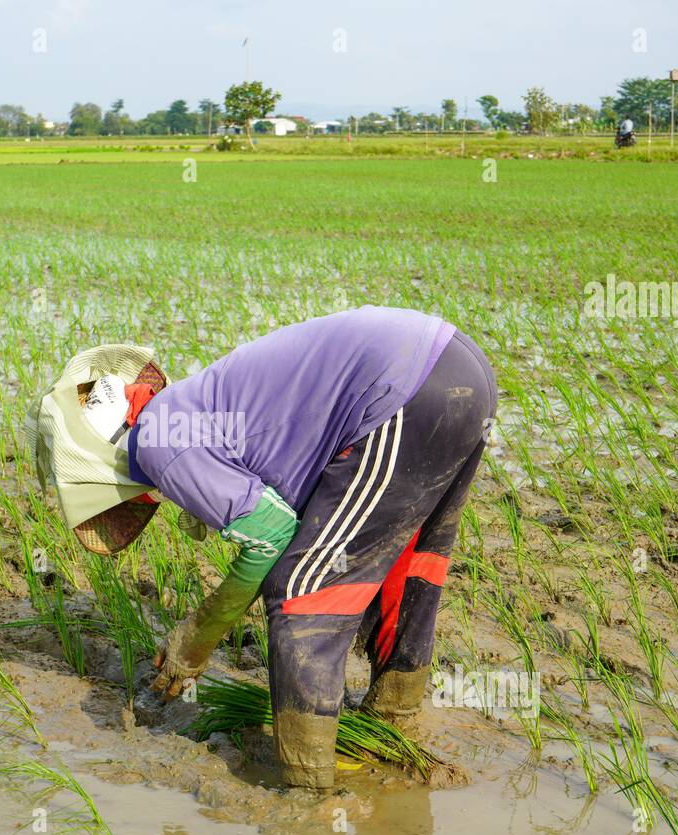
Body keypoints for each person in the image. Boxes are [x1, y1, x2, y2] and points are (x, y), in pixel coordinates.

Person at [27, 306, 497, 788]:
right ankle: (392, 725)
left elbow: (271, 536)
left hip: (403, 390)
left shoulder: (154, 439)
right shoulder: (180, 411)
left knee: (302, 589)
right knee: (408, 560)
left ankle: (308, 794)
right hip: (460, 368)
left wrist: (197, 636)